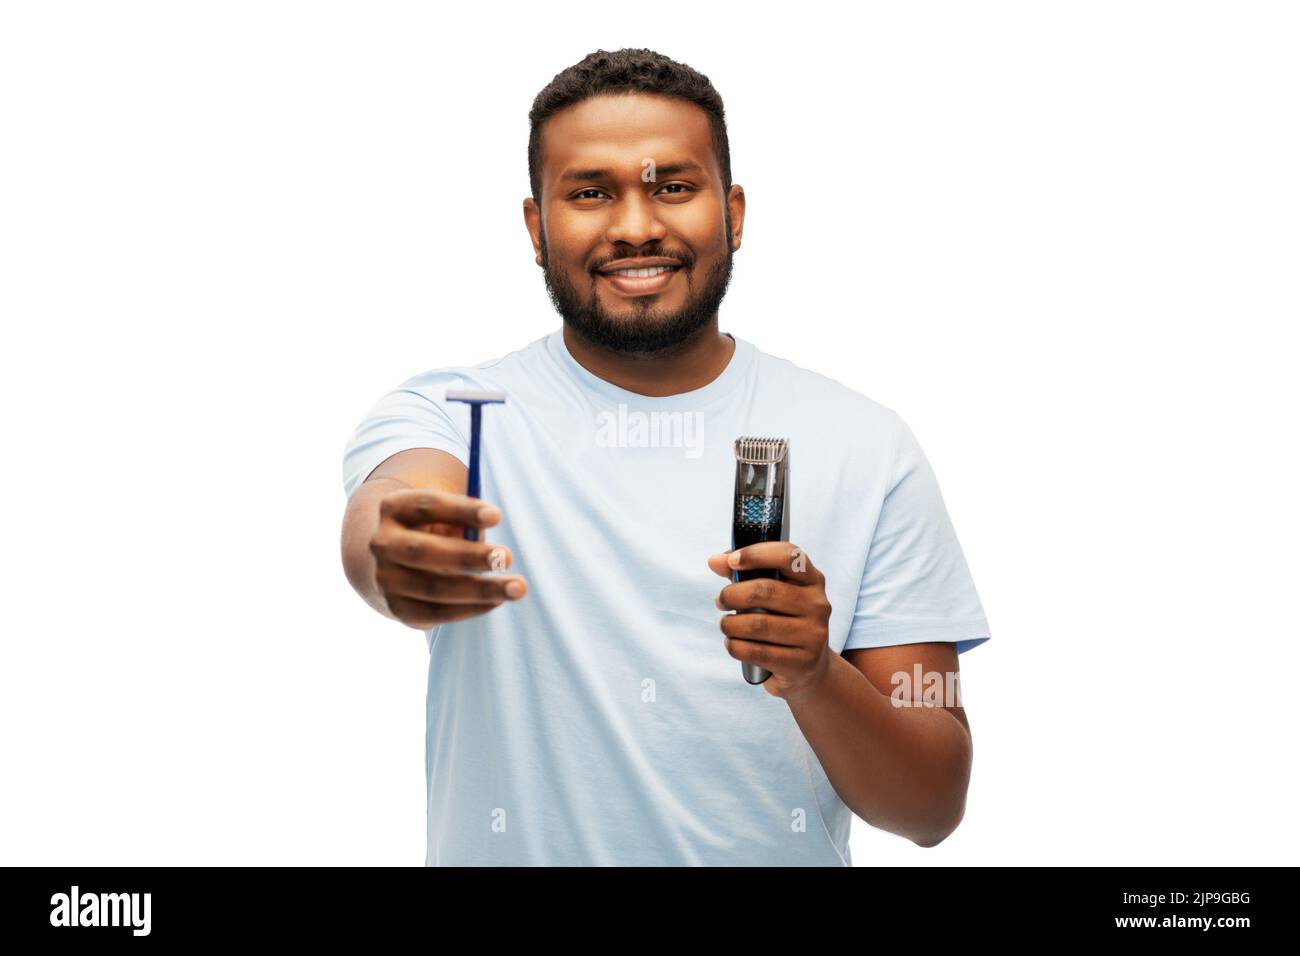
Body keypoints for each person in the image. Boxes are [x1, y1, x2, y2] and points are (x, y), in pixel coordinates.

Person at [340, 48, 991, 866]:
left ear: (736, 214)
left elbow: (932, 805)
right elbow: (391, 505)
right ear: (538, 229)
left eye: (673, 187)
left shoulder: (866, 443)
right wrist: (396, 550)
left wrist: (817, 674)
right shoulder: (454, 414)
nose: (636, 225)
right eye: (589, 194)